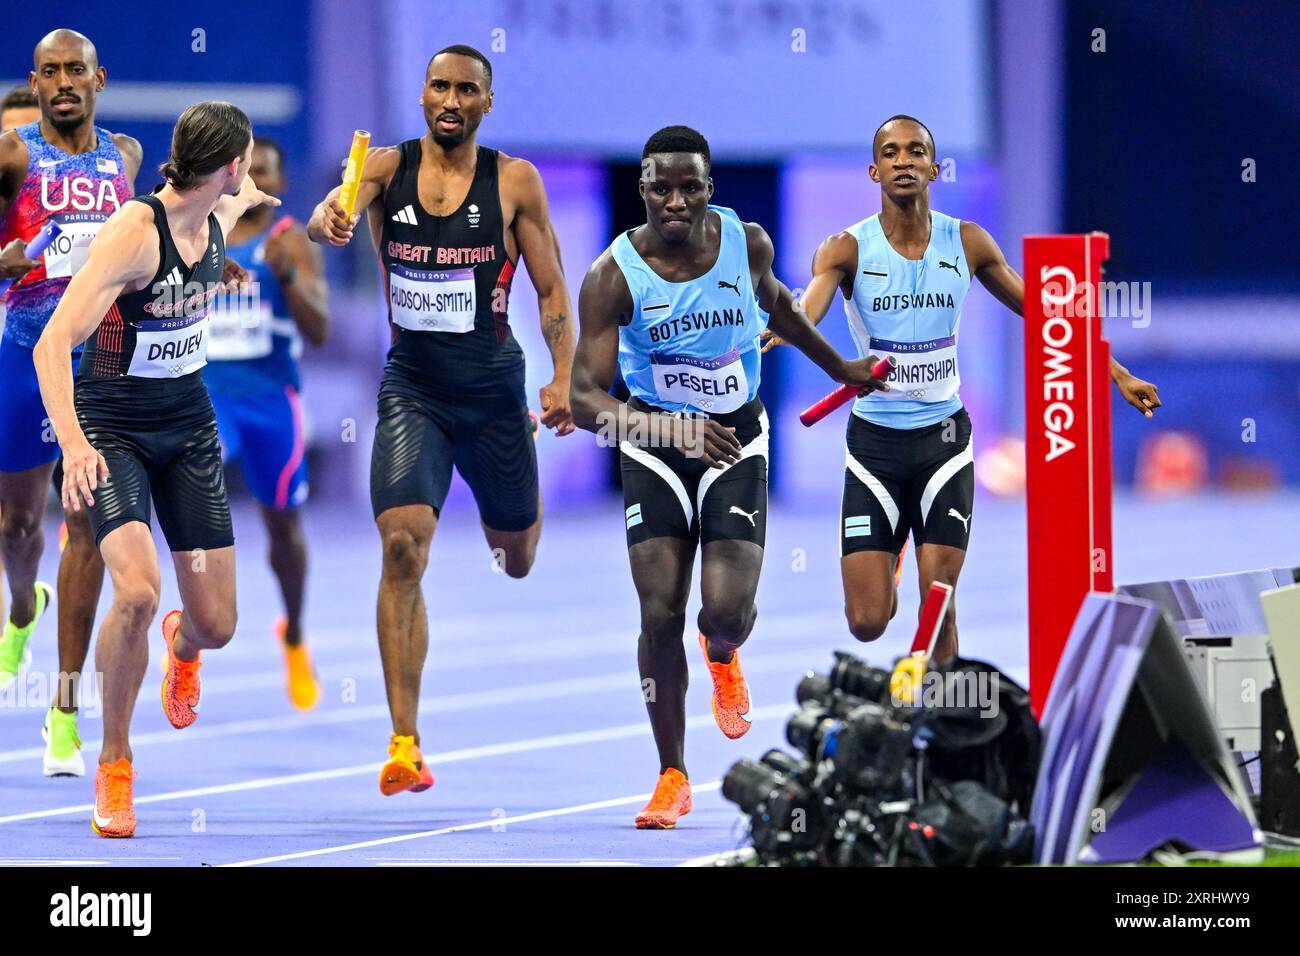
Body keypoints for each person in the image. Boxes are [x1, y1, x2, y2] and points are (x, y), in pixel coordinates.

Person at [570, 125, 882, 829]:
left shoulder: (748, 245)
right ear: (642, 189)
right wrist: (669, 429)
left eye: (690, 187)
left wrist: (840, 369)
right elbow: (585, 401)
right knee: (658, 612)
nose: (675, 201)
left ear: (710, 189)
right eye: (661, 187)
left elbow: (779, 307)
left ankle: (723, 653)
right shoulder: (613, 276)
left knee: (723, 615)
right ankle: (672, 774)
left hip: (737, 442)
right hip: (655, 446)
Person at [767, 114, 1162, 662]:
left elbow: (1048, 316)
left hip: (944, 441)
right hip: (875, 446)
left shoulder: (968, 242)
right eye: (890, 153)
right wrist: (788, 327)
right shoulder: (845, 249)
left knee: (938, 603)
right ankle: (896, 552)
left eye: (914, 151)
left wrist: (1117, 373)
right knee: (866, 623)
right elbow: (808, 307)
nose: (902, 161)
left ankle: (941, 722)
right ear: (874, 170)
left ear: (934, 166)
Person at [307, 44, 575, 795]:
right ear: (421, 95)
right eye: (438, 86)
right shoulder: (385, 170)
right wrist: (332, 214)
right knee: (401, 549)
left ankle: (512, 483)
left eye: (466, 89)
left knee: (515, 559)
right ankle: (403, 742)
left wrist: (560, 377)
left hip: (494, 397)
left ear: (487, 102)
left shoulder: (514, 181)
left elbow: (552, 291)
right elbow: (336, 208)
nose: (450, 100)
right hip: (413, 390)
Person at [34, 100, 278, 837]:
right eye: (247, 167)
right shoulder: (134, 236)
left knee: (219, 624)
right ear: (230, 165)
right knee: (135, 592)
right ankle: (114, 763)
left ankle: (184, 646)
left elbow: (265, 201)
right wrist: (76, 446)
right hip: (117, 434)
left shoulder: (225, 211)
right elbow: (52, 344)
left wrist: (337, 207)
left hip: (189, 430)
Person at [0, 30, 141, 778]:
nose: (62, 82)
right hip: (26, 352)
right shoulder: (13, 154)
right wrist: (5, 261)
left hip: (99, 359)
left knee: (84, 518)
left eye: (75, 71)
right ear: (35, 80)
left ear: (98, 77)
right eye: (49, 72)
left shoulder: (124, 159)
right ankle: (23, 607)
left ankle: (63, 711)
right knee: (19, 525)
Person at [204, 136, 328, 710]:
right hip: (210, 394)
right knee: (194, 483)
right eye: (249, 172)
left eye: (270, 176)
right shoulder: (203, 234)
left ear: (279, 187)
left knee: (284, 528)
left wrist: (289, 281)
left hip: (273, 401)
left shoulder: (292, 243)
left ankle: (296, 633)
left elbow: (321, 332)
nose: (259, 183)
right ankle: (195, 626)